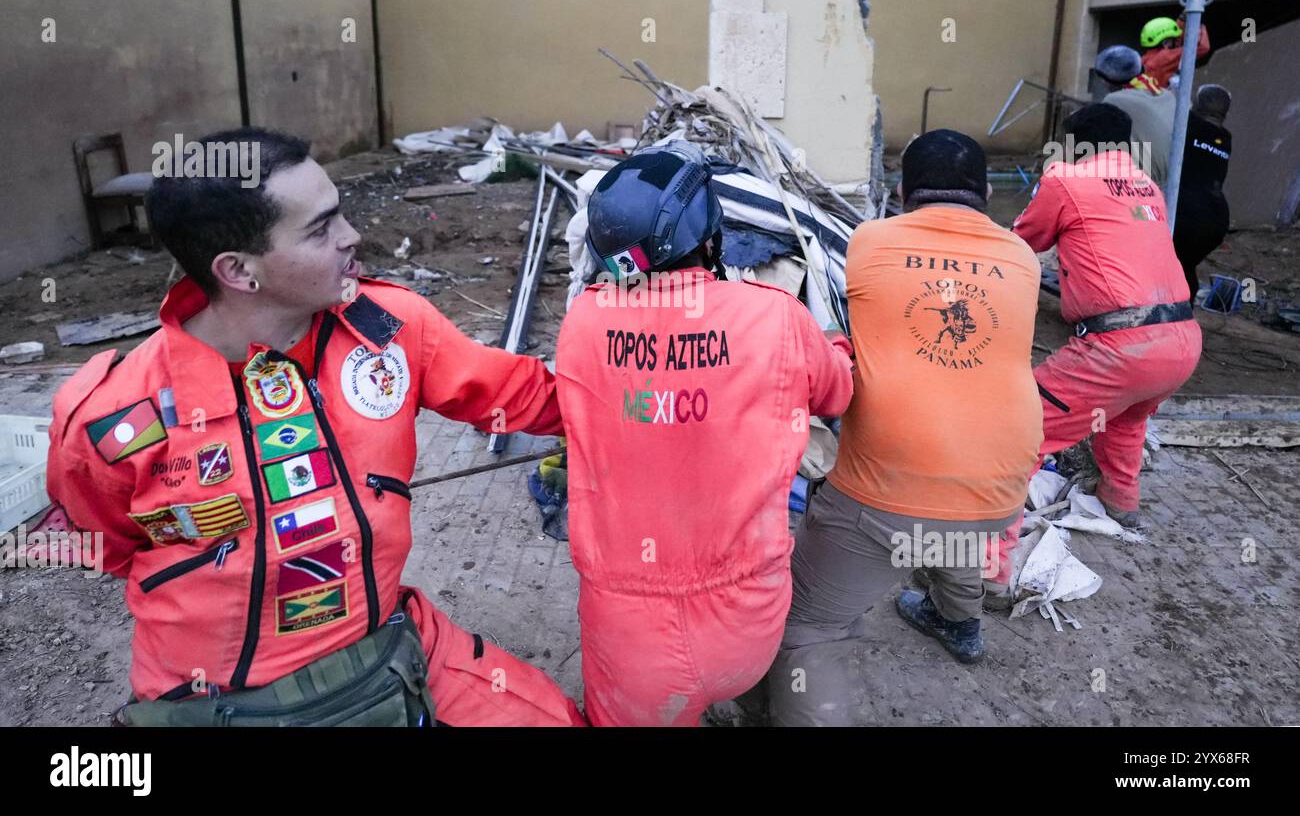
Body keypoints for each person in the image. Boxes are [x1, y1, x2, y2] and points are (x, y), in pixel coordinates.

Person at [46, 127, 585, 726]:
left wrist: (663, 388)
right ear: (239, 271)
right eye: (320, 227)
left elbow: (539, 399)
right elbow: (109, 546)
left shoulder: (388, 327)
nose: (351, 237)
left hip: (384, 645)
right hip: (217, 701)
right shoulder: (110, 417)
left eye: (341, 214)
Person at [554, 141, 854, 726]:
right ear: (710, 235)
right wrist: (833, 347)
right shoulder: (777, 317)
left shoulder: (585, 321)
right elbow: (836, 394)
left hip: (631, 640)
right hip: (750, 622)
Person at [758, 130, 1042, 726]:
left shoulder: (870, 240)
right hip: (1001, 486)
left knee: (810, 626)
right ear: (988, 192)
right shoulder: (1020, 257)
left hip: (884, 492)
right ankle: (960, 621)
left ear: (900, 192)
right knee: (956, 503)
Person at [1010, 104, 1202, 532]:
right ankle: (1120, 504)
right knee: (1124, 420)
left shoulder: (1065, 180)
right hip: (1181, 342)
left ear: (1072, 144)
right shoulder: (1146, 185)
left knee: (1022, 421)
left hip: (1121, 348)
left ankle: (989, 540)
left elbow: (1019, 243)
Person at [1173, 85, 1233, 300]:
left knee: (1172, 263)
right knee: (1184, 265)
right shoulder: (1225, 139)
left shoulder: (1186, 125)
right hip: (1216, 219)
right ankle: (1183, 312)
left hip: (1188, 213)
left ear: (1197, 105)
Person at [1097, 44, 1176, 189]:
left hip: (1144, 186)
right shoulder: (1166, 94)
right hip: (1176, 181)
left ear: (1106, 81)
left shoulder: (1114, 100)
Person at [1138, 14, 1211, 92]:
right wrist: (1197, 24)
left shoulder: (1145, 59)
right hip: (1164, 101)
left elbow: (1177, 37)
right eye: (1175, 40)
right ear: (1165, 43)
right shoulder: (1164, 57)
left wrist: (1182, 19)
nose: (1177, 42)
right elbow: (1201, 47)